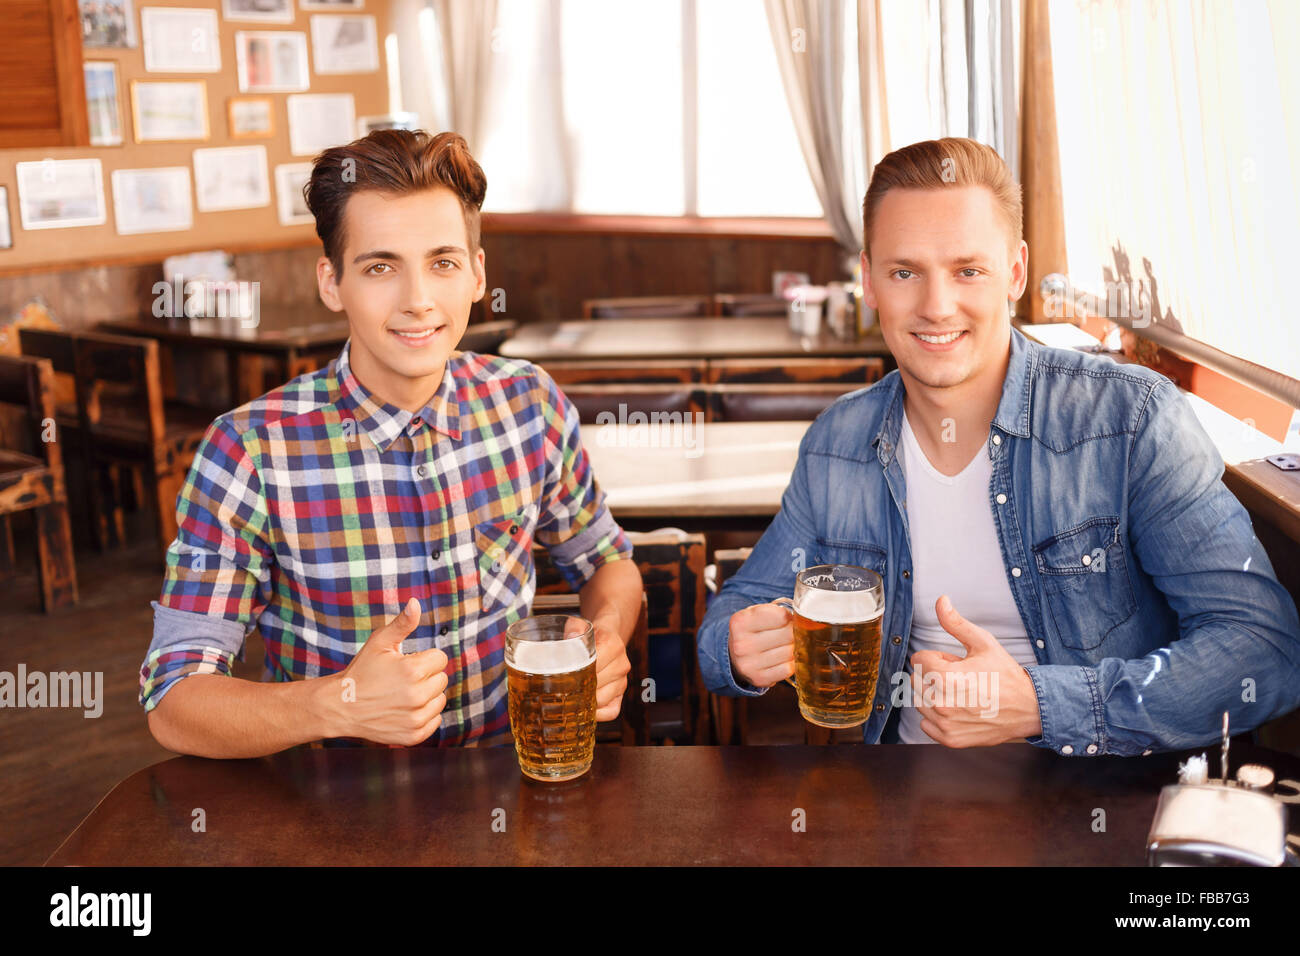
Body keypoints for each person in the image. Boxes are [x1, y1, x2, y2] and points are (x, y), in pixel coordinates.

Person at [697, 137, 1300, 754]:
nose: (936, 307)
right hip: (899, 811)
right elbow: (731, 615)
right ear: (869, 281)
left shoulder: (1132, 419)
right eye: (905, 272)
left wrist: (1041, 706)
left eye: (968, 270)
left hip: (1095, 810)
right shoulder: (838, 442)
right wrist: (739, 651)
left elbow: (1264, 651)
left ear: (1014, 273)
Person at [140, 130, 642, 758]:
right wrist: (338, 703)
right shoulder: (248, 450)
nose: (418, 301)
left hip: (513, 787)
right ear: (332, 282)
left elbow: (607, 562)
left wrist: (606, 636)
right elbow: (175, 699)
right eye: (381, 267)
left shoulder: (529, 402)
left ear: (477, 273)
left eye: (443, 262)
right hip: (334, 820)